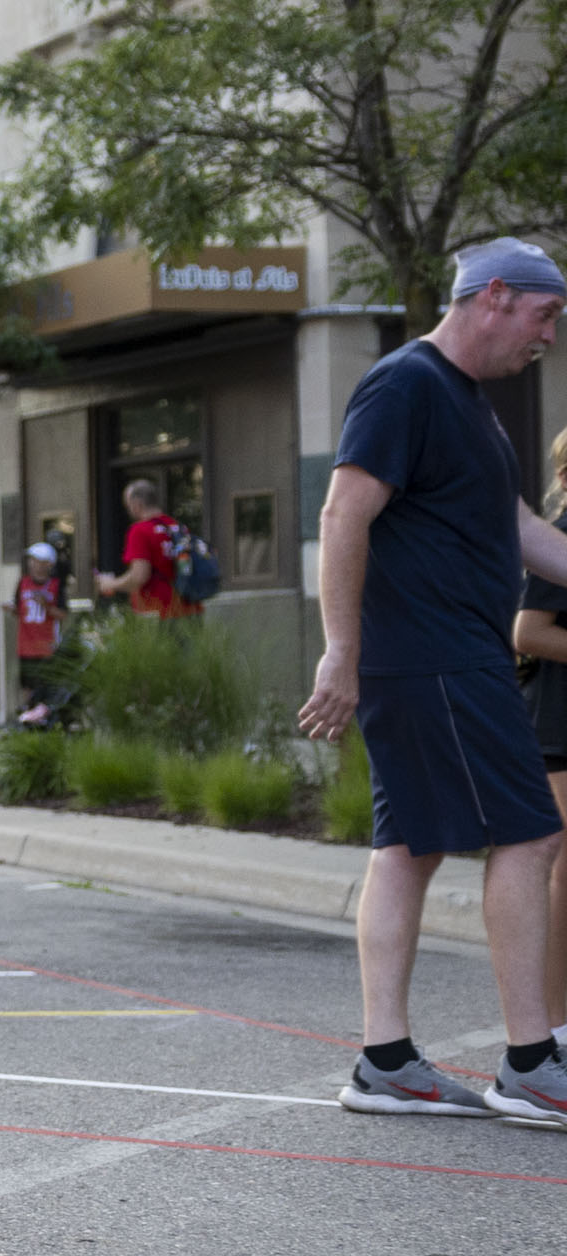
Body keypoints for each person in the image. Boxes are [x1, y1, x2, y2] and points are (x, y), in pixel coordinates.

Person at [299, 236, 567, 1127]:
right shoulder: (406, 383)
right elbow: (344, 510)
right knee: (529, 837)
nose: (550, 337)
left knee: (408, 848)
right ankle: (530, 1063)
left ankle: (387, 1061)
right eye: (544, 315)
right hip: (438, 658)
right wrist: (341, 649)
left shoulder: (466, 401)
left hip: (440, 657)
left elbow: (518, 525)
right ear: (493, 296)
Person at [513, 423, 567, 1054]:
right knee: (563, 874)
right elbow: (526, 632)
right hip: (557, 723)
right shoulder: (562, 536)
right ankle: (553, 1023)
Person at [95, 478, 197, 618]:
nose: (129, 510)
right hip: (190, 609)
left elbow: (139, 576)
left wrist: (111, 584)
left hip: (158, 613)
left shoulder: (140, 530)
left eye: (128, 505)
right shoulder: (179, 528)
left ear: (137, 504)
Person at [11, 539, 67, 723]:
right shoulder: (23, 583)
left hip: (46, 644)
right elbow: (18, 609)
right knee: (27, 684)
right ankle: (27, 716)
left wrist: (47, 607)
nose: (34, 565)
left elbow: (63, 614)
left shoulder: (56, 586)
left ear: (49, 564)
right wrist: (11, 609)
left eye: (39, 561)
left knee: (46, 683)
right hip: (25, 643)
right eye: (32, 560)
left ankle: (44, 717)